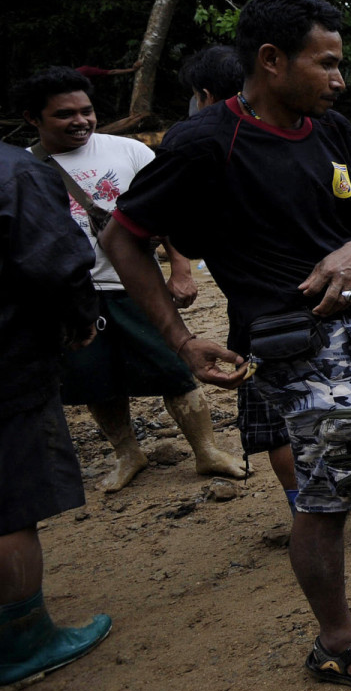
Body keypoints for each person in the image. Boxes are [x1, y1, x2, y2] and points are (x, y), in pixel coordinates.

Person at [102, 0, 351, 691]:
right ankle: (337, 640)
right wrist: (180, 340)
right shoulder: (205, 143)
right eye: (325, 64)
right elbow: (123, 237)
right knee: (325, 497)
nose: (340, 79)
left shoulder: (333, 128)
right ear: (271, 61)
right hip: (300, 351)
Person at [18, 68, 246, 491]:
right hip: (72, 295)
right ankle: (128, 454)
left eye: (86, 111)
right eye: (64, 114)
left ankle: (207, 452)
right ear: (34, 118)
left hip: (134, 285)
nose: (81, 121)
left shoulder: (128, 152)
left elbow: (172, 214)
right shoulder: (24, 167)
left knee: (175, 368)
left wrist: (179, 270)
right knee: (93, 379)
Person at [0, 142, 112, 685]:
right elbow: (59, 263)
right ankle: (25, 639)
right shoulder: (15, 172)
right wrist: (82, 317)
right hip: (9, 364)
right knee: (11, 501)